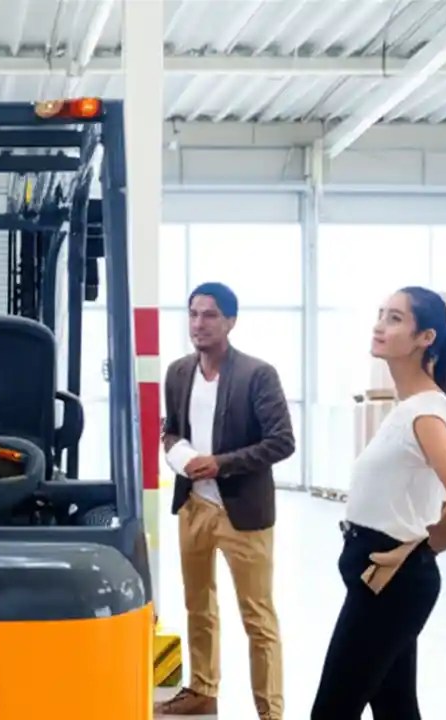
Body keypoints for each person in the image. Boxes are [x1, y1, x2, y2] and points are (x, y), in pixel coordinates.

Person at [310, 286, 446, 719]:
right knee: (395, 707)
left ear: (425, 337)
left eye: (394, 318)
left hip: (391, 583)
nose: (379, 325)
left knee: (332, 710)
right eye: (380, 314)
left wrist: (424, 552)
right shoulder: (409, 407)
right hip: (378, 577)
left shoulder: (425, 411)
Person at [156, 282, 295, 720]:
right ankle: (202, 690)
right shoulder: (178, 372)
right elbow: (172, 429)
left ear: (231, 321)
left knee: (257, 617)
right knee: (198, 605)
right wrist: (176, 452)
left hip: (243, 511)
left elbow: (281, 442)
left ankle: (270, 711)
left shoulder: (258, 374)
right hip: (193, 505)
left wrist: (220, 463)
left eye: (210, 315)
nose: (199, 323)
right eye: (193, 314)